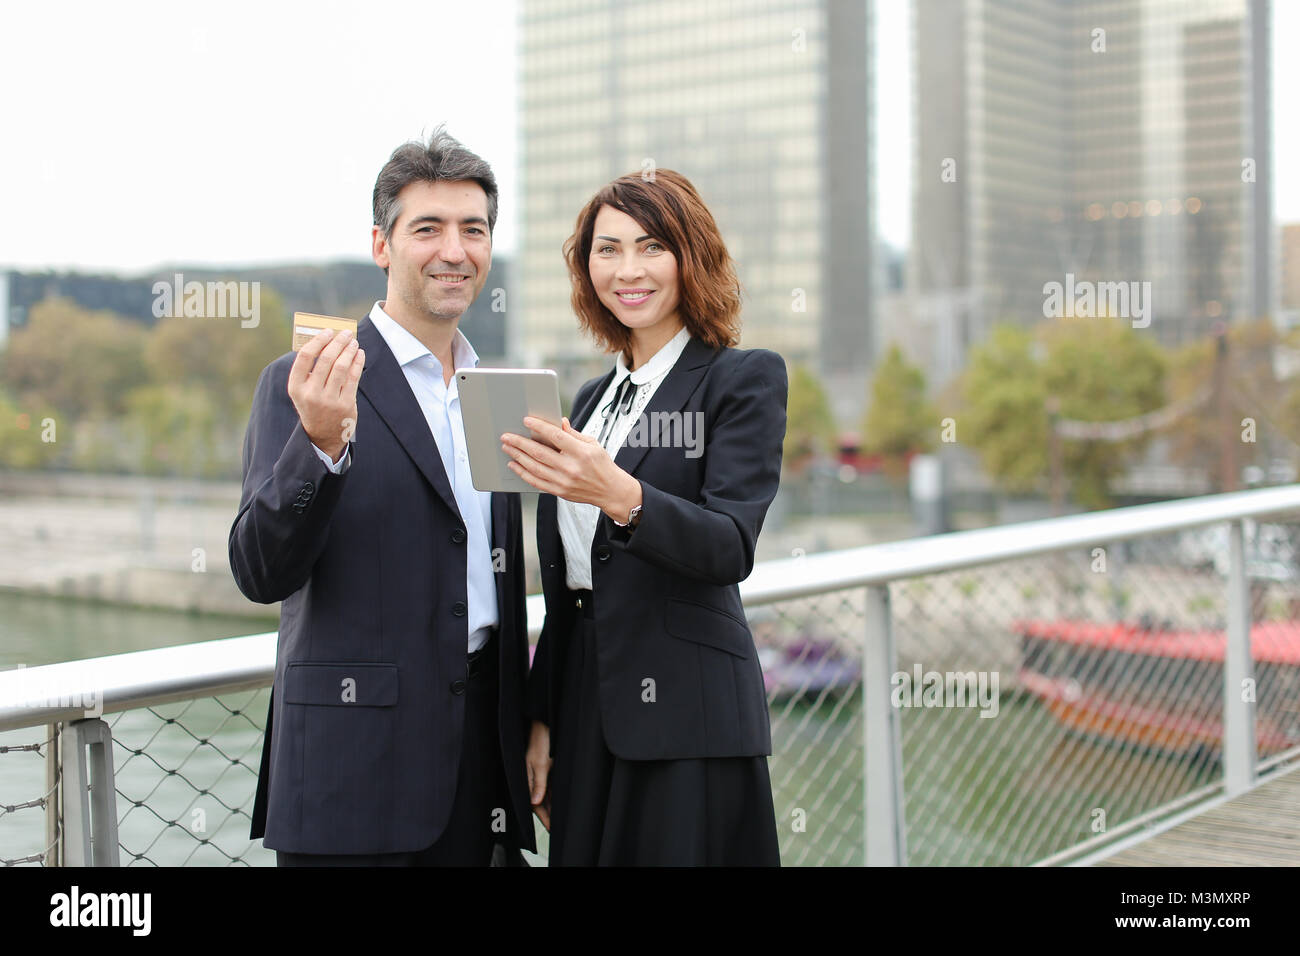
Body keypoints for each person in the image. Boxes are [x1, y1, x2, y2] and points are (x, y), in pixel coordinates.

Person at [229, 127, 535, 866]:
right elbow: (258, 571)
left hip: (483, 773)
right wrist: (323, 445)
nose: (454, 251)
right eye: (427, 229)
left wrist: (530, 726)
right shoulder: (304, 379)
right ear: (382, 245)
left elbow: (497, 581)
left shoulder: (502, 392)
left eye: (474, 229)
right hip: (351, 779)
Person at [502, 169, 787, 865]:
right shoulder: (592, 396)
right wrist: (544, 719)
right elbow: (571, 586)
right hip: (584, 707)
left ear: (689, 257)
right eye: (607, 249)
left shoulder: (741, 379)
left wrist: (619, 494)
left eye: (650, 246)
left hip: (688, 719)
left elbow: (728, 546)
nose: (627, 269)